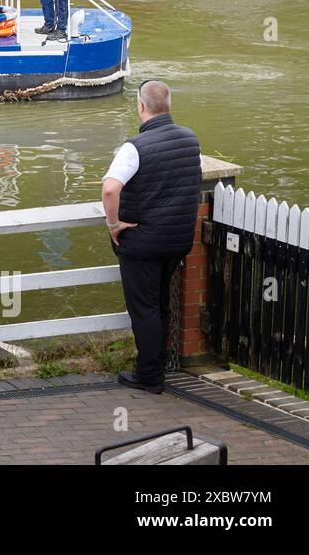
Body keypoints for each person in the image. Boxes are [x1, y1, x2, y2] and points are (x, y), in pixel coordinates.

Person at [101, 80, 202, 394]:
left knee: (144, 309)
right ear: (168, 105)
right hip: (177, 241)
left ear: (141, 106)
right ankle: (159, 363)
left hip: (143, 243)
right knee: (160, 304)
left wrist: (113, 224)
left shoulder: (134, 147)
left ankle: (149, 375)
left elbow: (110, 189)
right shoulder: (190, 140)